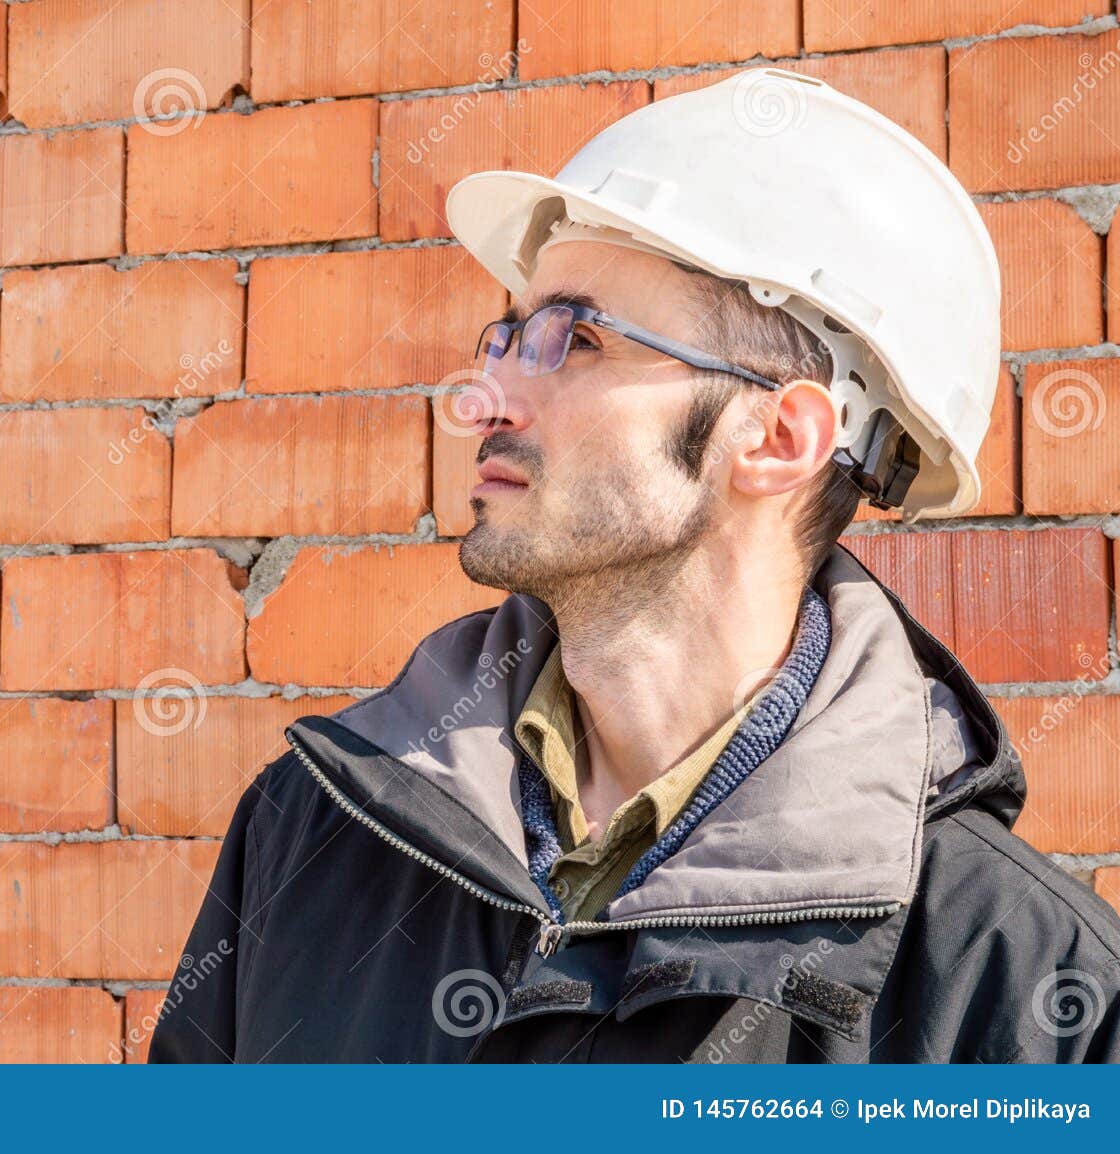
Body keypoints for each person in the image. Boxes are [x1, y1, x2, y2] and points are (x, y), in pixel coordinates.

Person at [149, 70, 1120, 1062]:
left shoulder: (1026, 986)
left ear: (778, 437)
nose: (483, 396)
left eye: (573, 342)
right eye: (506, 337)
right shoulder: (311, 835)